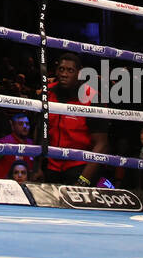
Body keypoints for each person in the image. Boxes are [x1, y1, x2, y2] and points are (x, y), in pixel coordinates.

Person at [46, 52, 110, 185]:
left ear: (79, 74)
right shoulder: (48, 93)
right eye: (61, 69)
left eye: (70, 70)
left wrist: (84, 180)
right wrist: (36, 167)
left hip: (79, 166)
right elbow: (40, 129)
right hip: (50, 165)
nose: (64, 74)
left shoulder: (92, 98)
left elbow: (102, 143)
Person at [0, 113, 37, 180]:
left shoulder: (31, 144)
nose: (25, 126)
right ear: (13, 126)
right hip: (4, 185)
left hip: (23, 186)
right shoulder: (6, 142)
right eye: (20, 124)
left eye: (27, 124)